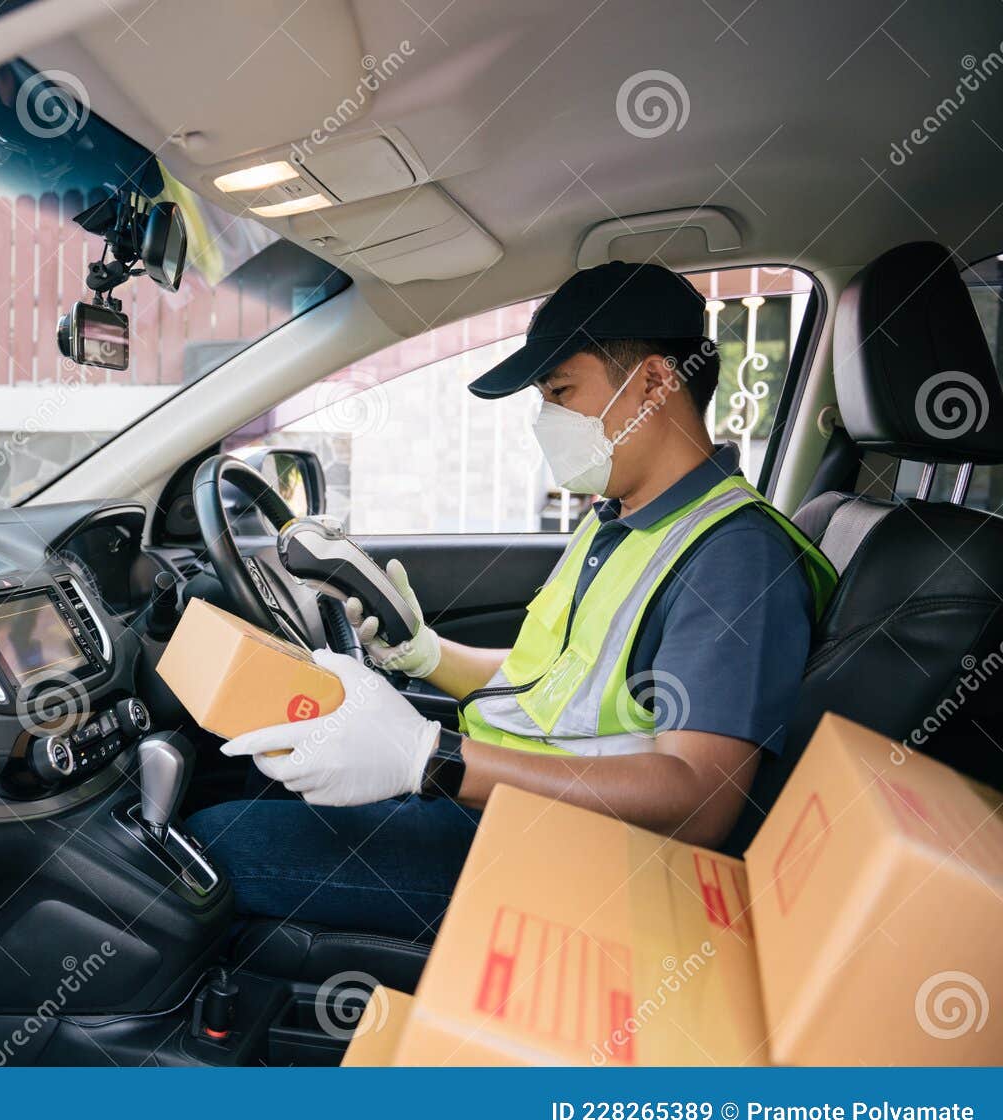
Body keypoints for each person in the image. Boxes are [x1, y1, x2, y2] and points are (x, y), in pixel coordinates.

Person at [187, 261, 837, 941]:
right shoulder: (618, 517)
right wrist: (424, 651)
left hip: (572, 858)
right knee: (229, 780)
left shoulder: (734, 556)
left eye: (560, 391)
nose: (546, 419)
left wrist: (428, 757)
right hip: (504, 801)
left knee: (211, 845)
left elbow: (697, 797)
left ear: (653, 382)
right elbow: (547, 682)